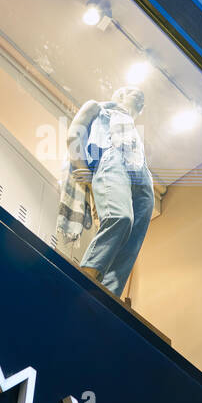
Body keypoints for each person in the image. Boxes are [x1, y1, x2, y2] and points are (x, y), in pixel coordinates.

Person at [64, 86, 153, 298]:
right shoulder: (98, 107)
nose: (139, 93)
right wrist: (82, 167)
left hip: (141, 173)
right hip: (112, 158)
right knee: (120, 217)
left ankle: (109, 294)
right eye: (132, 90)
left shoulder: (134, 132)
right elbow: (74, 134)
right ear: (119, 94)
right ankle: (87, 277)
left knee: (132, 242)